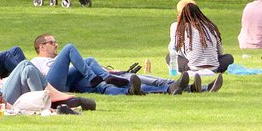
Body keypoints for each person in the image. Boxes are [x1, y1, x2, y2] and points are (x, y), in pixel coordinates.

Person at [31, 33, 193, 95]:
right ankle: (100, 77)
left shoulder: (57, 61)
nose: (56, 45)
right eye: (52, 42)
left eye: (55, 42)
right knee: (69, 48)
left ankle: (172, 89)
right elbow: (34, 80)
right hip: (53, 84)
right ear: (41, 46)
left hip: (71, 82)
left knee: (93, 66)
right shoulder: (35, 61)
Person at [168, 0, 233, 76]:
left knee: (169, 57)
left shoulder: (178, 26)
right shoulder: (210, 26)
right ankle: (206, 71)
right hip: (214, 68)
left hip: (192, 67)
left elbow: (173, 50)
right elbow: (220, 52)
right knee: (229, 58)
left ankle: (192, 72)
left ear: (180, 14)